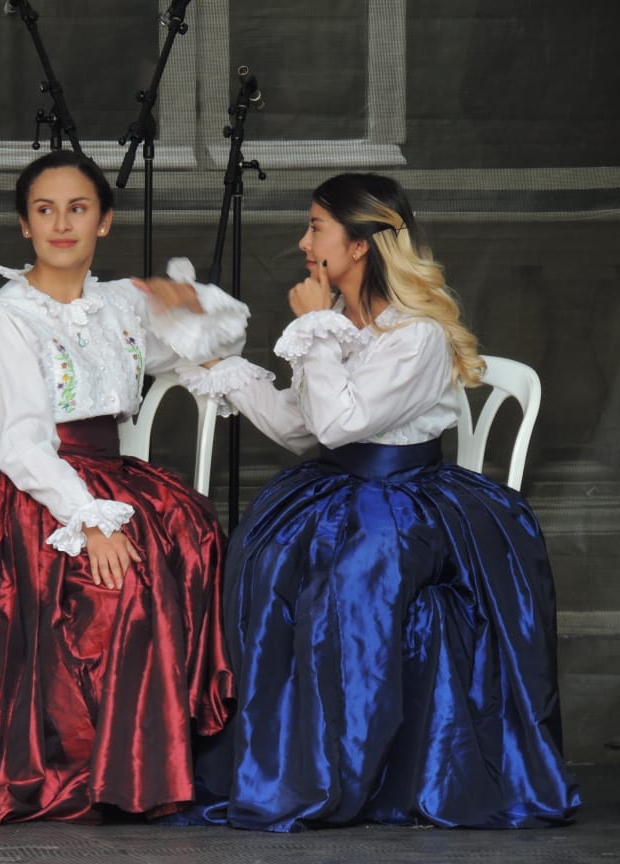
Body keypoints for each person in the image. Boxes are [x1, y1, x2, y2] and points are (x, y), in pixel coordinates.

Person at [176, 173, 581, 830]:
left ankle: (346, 770)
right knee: (265, 554)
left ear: (359, 244)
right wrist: (228, 370)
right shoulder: (337, 322)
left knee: (357, 575)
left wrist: (310, 328)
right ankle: (288, 760)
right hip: (341, 485)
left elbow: (341, 422)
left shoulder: (415, 336)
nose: (304, 241)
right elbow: (301, 428)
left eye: (316, 227)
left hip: (408, 497)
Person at [0, 149, 247, 824]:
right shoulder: (2, 318)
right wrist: (88, 517)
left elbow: (217, 336)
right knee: (110, 587)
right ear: (25, 226)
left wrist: (182, 299)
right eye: (44, 210)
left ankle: (161, 761)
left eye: (78, 208)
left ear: (105, 221)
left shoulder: (119, 303)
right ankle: (86, 765)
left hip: (110, 469)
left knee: (194, 539)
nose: (62, 224)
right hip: (29, 480)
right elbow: (22, 441)